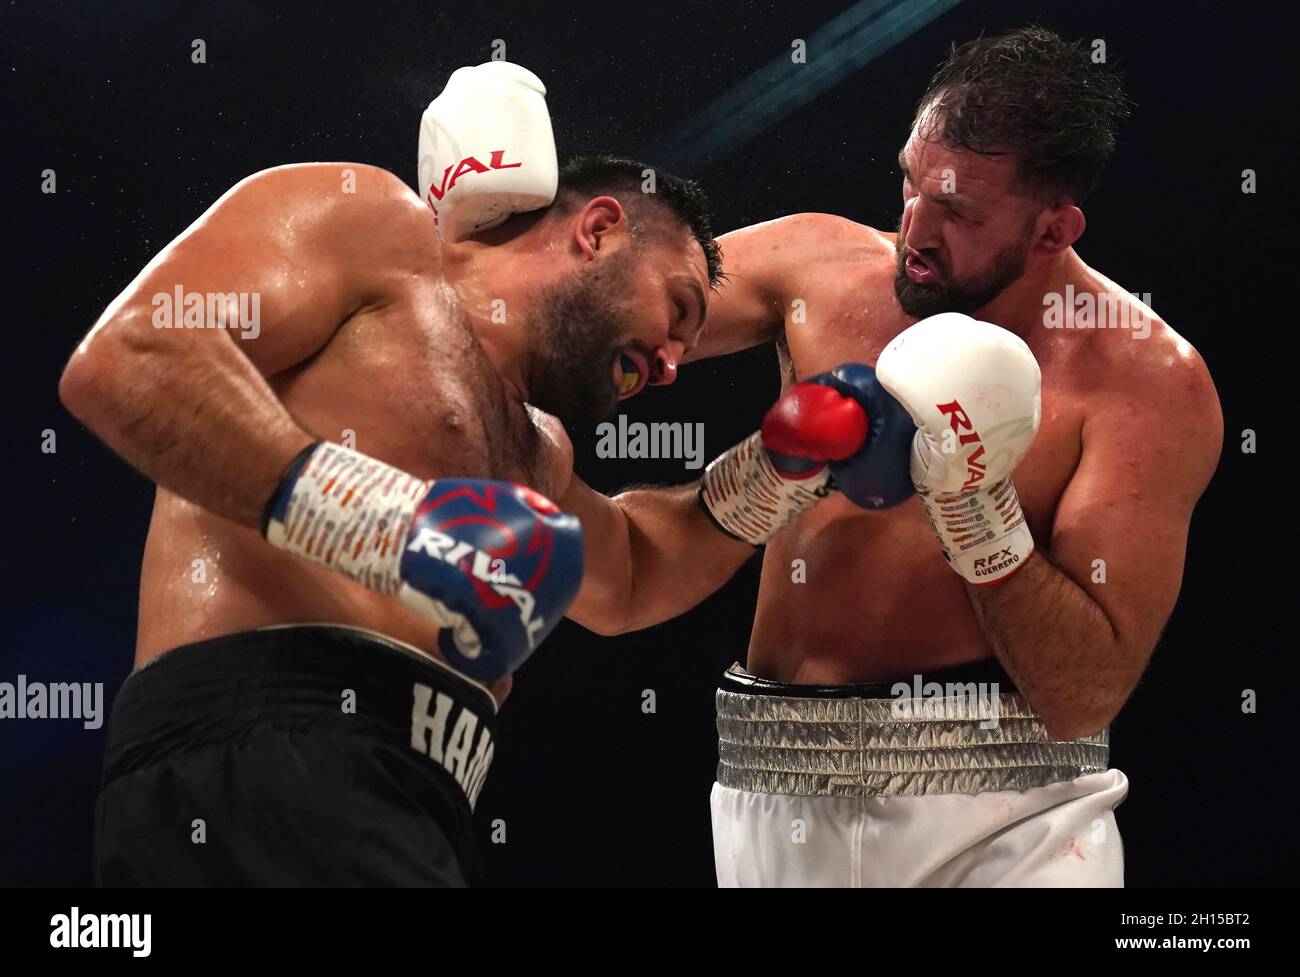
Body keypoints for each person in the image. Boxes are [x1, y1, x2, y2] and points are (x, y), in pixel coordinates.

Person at [562, 27, 1222, 886]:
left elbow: (1083, 693)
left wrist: (975, 505)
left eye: (960, 213)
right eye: (912, 181)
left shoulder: (1145, 382)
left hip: (1017, 825)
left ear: (1054, 228)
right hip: (776, 797)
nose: (915, 227)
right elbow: (591, 322)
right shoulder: (819, 264)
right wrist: (490, 247)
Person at [59, 61, 721, 886]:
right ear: (600, 229)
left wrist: (785, 470)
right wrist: (387, 525)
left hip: (424, 795)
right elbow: (135, 352)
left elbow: (634, 572)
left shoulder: (539, 452)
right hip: (259, 752)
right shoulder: (371, 228)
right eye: (679, 311)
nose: (667, 367)